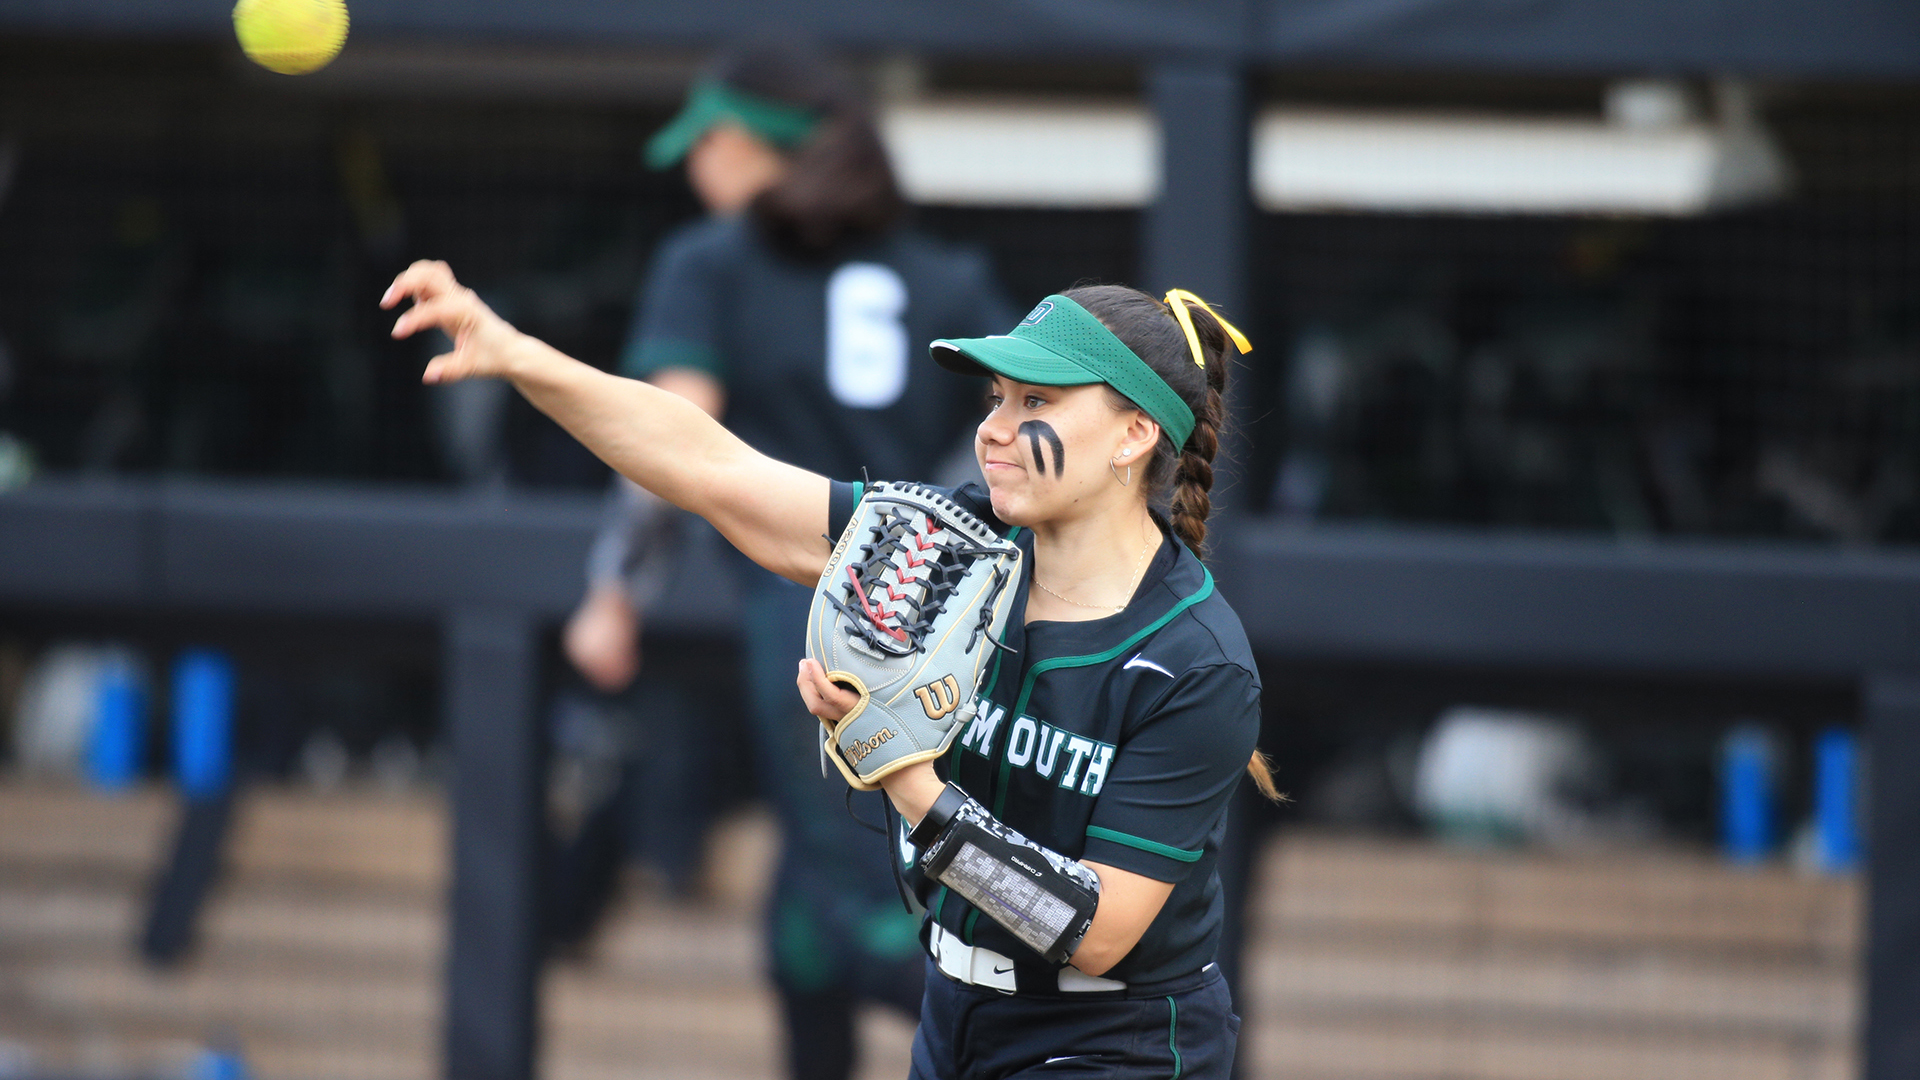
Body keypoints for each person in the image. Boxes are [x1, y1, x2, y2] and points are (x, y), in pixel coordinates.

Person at [384, 261, 1280, 1078]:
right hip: (957, 1013)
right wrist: (521, 356)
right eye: (996, 398)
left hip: (1113, 1042)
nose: (994, 430)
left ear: (1132, 434)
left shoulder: (1195, 662)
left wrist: (910, 783)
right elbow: (711, 469)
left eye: (1035, 403)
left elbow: (1095, 933)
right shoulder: (951, 549)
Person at [555, 41, 1015, 1080]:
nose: (696, 167)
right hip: (943, 633)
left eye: (709, 142)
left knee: (871, 918)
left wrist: (612, 593)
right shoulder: (946, 274)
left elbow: (665, 440)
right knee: (803, 926)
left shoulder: (707, 264)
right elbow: (1018, 426)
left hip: (805, 627)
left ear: (763, 148)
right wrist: (933, 532)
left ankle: (1052, 1051)